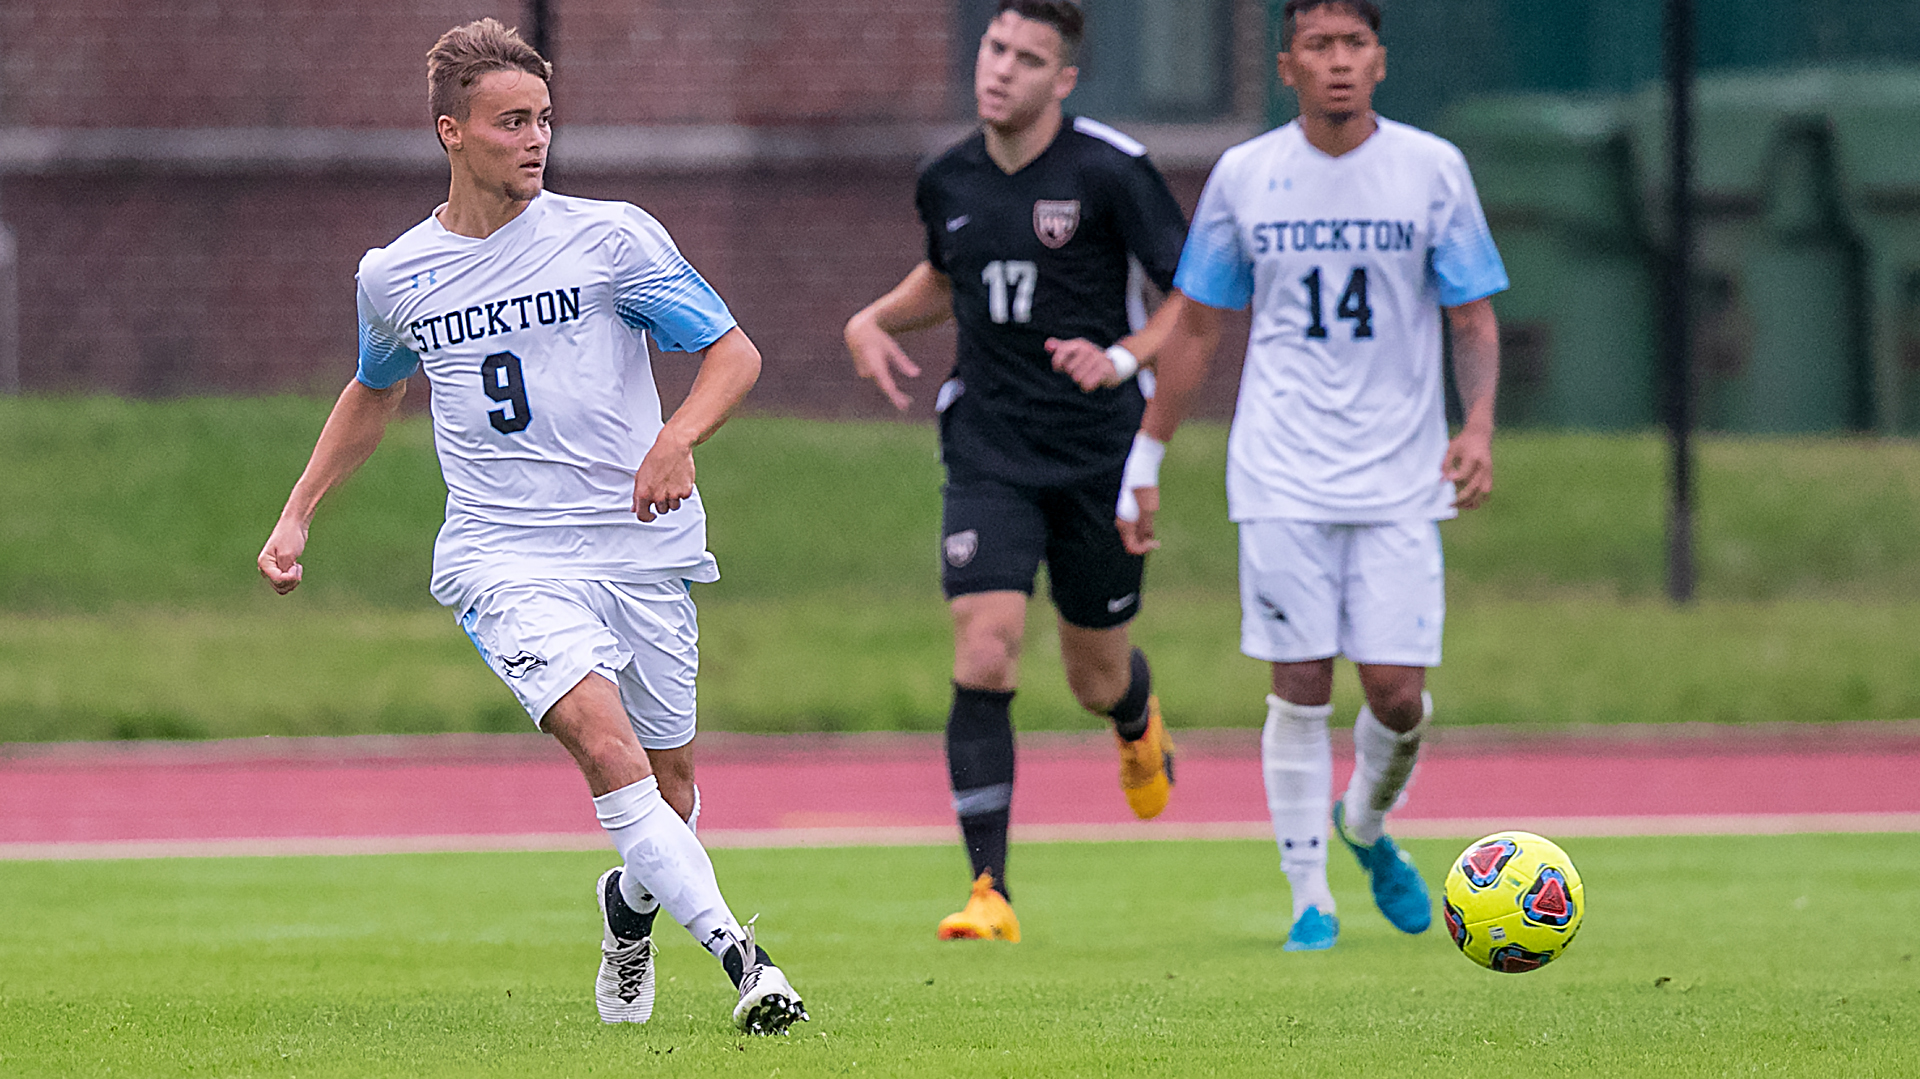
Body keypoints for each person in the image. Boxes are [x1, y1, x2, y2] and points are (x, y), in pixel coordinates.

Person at [256, 19, 806, 1032]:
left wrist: (676, 437)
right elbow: (374, 393)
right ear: (450, 132)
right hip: (503, 557)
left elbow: (733, 352)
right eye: (511, 122)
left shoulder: (611, 238)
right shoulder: (397, 274)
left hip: (639, 545)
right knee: (606, 747)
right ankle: (749, 962)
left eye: (545, 119)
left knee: (671, 792)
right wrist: (296, 515)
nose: (535, 139)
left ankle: (627, 906)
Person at [1049, 0, 1506, 952]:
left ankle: (1367, 825)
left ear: (1380, 60)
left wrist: (1481, 427)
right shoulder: (1246, 177)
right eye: (1318, 47)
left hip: (1398, 473)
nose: (1338, 62)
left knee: (1395, 693)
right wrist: (1147, 456)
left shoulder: (1433, 171)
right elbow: (1198, 324)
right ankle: (1310, 898)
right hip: (1283, 467)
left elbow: (1471, 316)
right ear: (1287, 63)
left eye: (1354, 45)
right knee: (1298, 680)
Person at [842, 0, 1189, 941]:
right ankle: (988, 891)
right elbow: (951, 278)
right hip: (989, 449)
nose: (1001, 69)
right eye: (995, 48)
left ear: (1063, 79)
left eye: (1027, 58)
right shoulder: (946, 176)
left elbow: (1191, 301)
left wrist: (1121, 358)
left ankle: (1135, 714)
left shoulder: (1110, 171)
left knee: (1092, 675)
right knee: (985, 648)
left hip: (1099, 456)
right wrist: (873, 318)